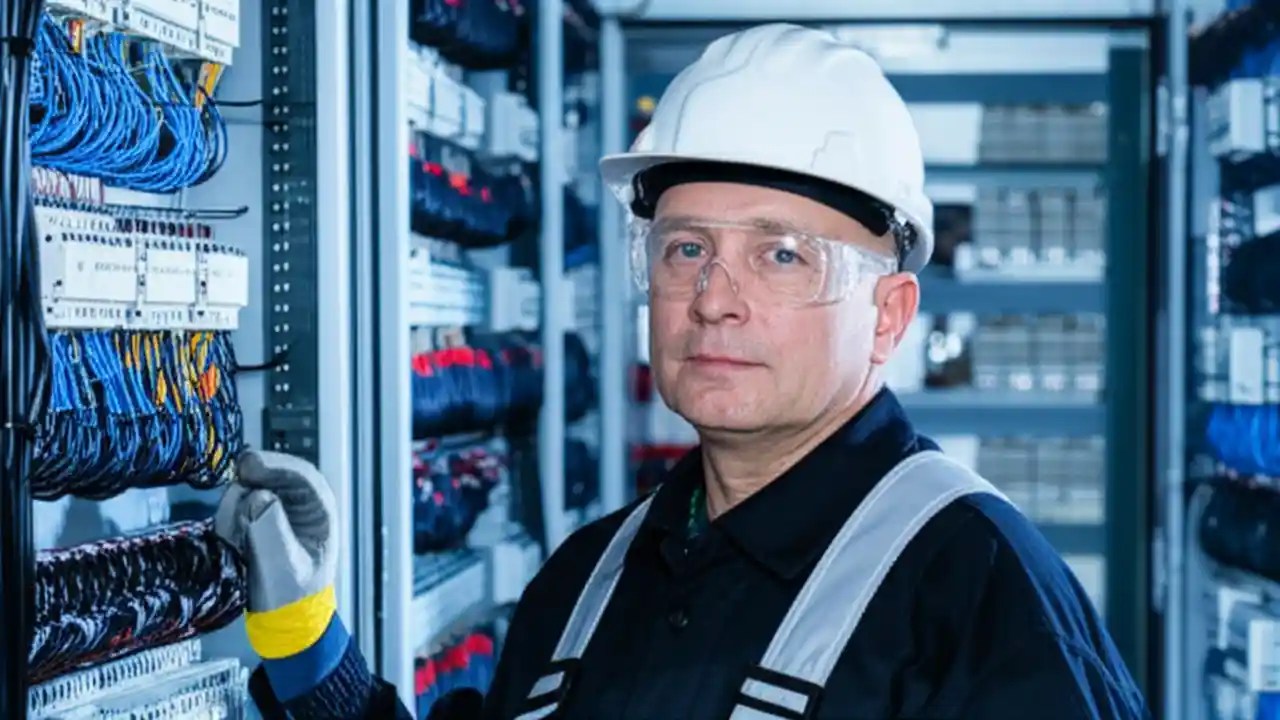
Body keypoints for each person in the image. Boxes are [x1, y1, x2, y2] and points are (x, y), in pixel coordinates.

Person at [215, 23, 1152, 720]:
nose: (714, 298)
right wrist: (304, 639)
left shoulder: (982, 594)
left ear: (888, 315)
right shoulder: (589, 583)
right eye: (685, 249)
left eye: (782, 255)